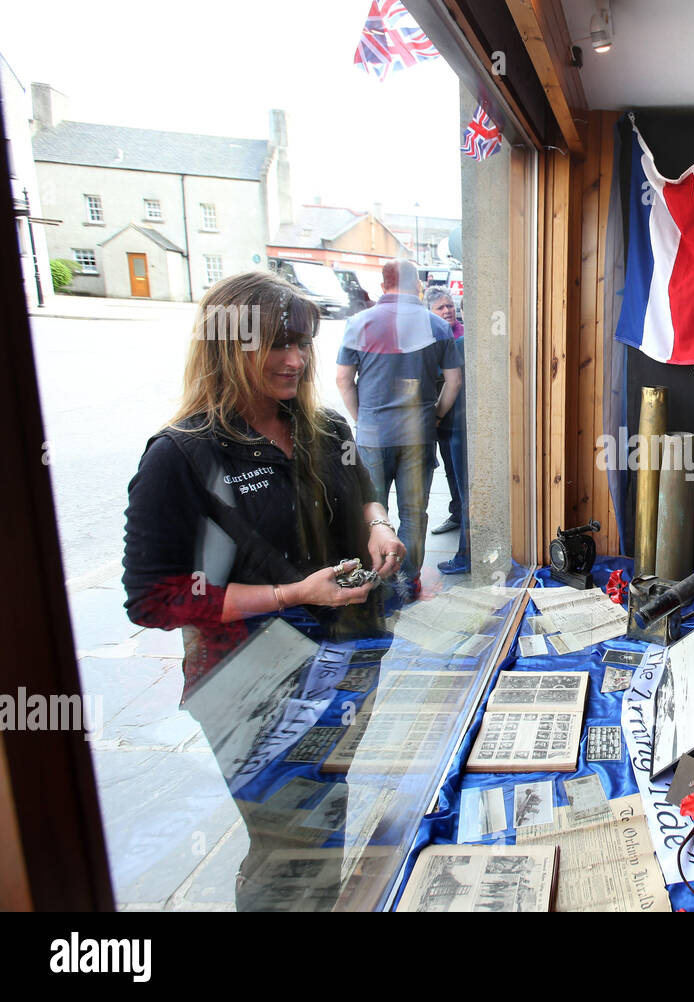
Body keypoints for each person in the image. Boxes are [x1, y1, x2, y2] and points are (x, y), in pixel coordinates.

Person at [122, 269, 406, 907]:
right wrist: (290, 594)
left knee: (322, 820)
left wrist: (379, 527)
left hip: (350, 659)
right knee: (290, 849)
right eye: (278, 344)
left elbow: (362, 491)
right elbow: (151, 597)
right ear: (228, 346)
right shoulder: (178, 456)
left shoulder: (325, 428)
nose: (296, 360)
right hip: (250, 684)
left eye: (303, 343)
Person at [336, 259, 463, 589]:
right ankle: (408, 580)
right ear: (418, 287)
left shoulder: (359, 323)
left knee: (373, 512)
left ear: (383, 286)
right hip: (418, 434)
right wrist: (434, 415)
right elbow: (454, 382)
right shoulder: (437, 326)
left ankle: (376, 580)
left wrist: (361, 418)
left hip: (373, 434)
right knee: (413, 513)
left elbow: (343, 380)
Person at [425, 288, 471, 574]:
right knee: (455, 481)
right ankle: (457, 519)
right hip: (450, 424)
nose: (448, 311)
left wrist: (438, 416)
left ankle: (466, 556)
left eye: (451, 306)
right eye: (441, 307)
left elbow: (450, 382)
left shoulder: (461, 341)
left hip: (456, 424)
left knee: (467, 491)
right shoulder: (440, 338)